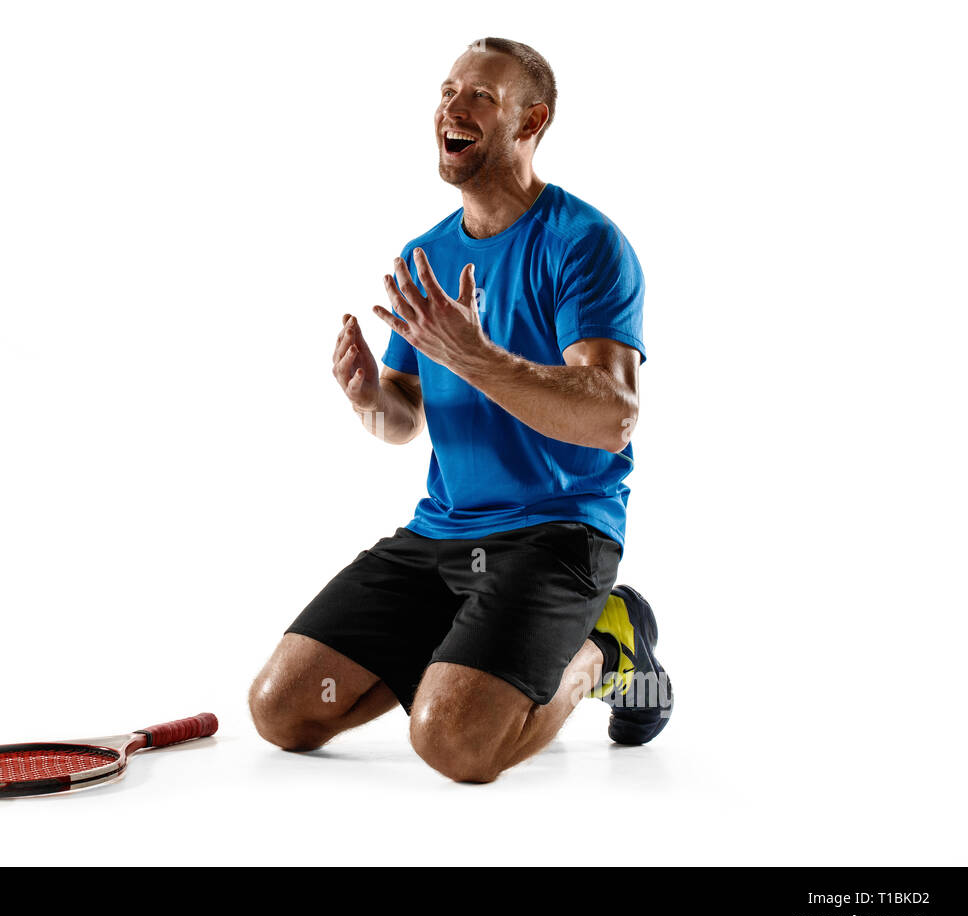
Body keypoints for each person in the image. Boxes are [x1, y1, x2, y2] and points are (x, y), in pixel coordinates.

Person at [249, 37, 672, 783]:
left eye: (482, 95)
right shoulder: (426, 255)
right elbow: (404, 420)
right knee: (282, 710)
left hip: (557, 534)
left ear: (531, 121)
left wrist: (477, 356)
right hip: (442, 537)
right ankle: (472, 649)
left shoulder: (585, 244)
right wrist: (366, 399)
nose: (453, 105)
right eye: (447, 91)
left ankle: (609, 644)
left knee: (454, 744)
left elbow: (613, 416)